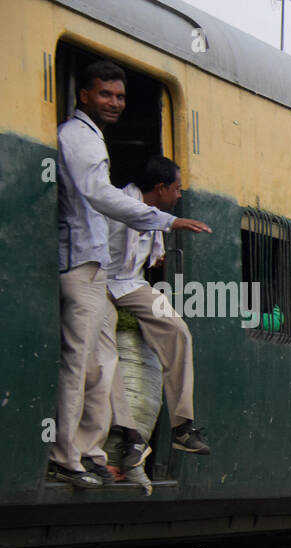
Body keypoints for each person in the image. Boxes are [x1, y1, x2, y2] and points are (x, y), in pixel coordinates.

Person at [53, 60, 211, 487]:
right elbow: (99, 198)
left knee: (156, 339)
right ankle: (88, 448)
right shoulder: (86, 147)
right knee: (88, 363)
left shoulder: (95, 142)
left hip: (119, 281)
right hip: (106, 282)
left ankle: (174, 428)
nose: (115, 102)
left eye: (119, 96)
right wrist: (167, 222)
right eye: (106, 94)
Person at [105, 156, 212, 468]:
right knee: (104, 351)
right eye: (176, 188)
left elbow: (148, 255)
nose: (179, 195)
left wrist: (157, 258)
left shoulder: (156, 212)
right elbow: (138, 218)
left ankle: (182, 427)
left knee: (177, 331)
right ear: (160, 188)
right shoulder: (121, 202)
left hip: (130, 284)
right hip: (100, 283)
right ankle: (129, 434)